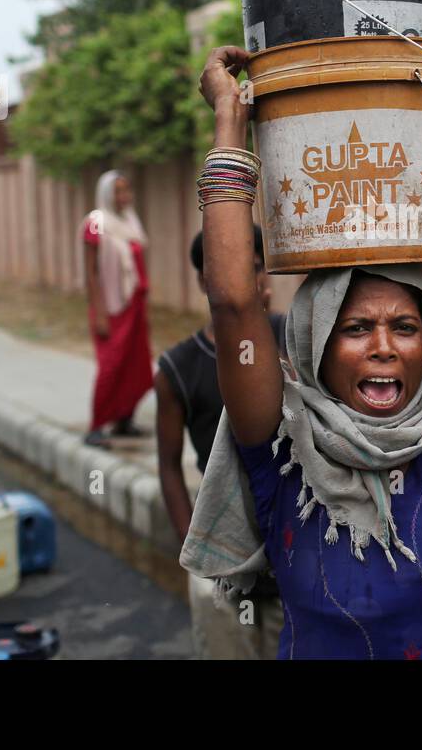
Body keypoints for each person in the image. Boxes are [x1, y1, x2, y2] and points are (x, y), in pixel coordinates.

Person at [180, 42, 422, 659]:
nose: (384, 347)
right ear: (313, 347)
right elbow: (233, 305)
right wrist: (228, 123)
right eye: (355, 329)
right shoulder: (280, 444)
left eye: (405, 327)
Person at [155, 227, 286, 659]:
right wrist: (195, 553)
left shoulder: (293, 342)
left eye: (252, 270)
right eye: (227, 273)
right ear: (202, 281)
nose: (245, 283)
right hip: (225, 562)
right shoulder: (179, 368)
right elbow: (169, 466)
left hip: (292, 555)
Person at [83, 170, 152, 448]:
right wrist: (99, 312)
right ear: (106, 193)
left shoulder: (129, 221)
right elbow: (90, 273)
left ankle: (124, 420)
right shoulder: (96, 223)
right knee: (111, 365)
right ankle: (97, 426)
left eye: (127, 190)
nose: (124, 196)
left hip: (134, 305)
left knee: (135, 364)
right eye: (118, 191)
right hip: (110, 307)